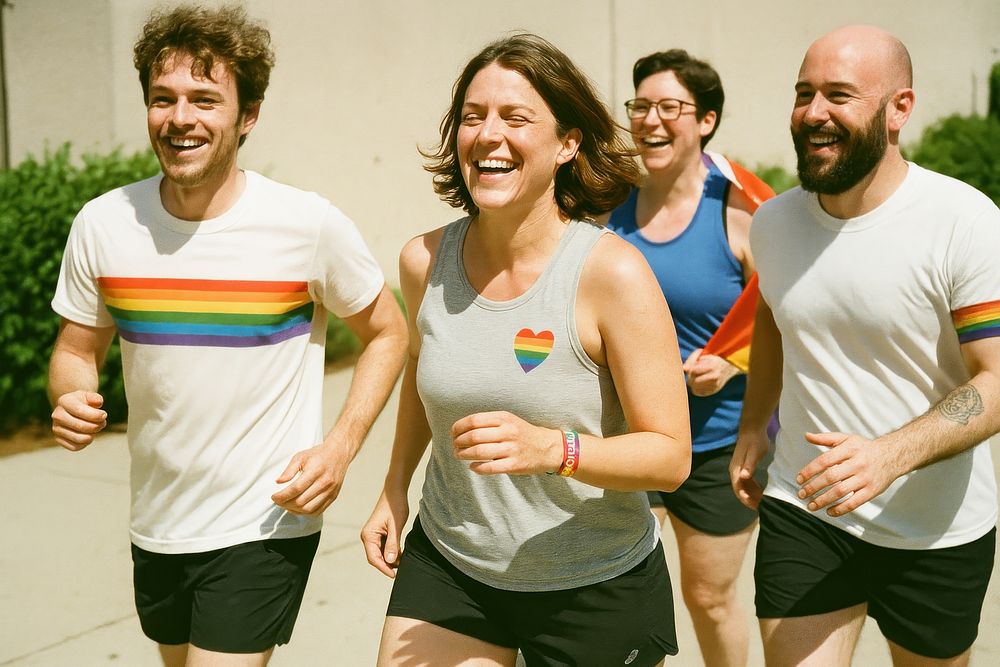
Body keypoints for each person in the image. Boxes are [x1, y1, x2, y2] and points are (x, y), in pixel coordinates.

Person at [47, 5, 407, 666]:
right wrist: (71, 395)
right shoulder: (104, 224)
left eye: (205, 99)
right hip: (157, 522)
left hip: (264, 521)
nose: (180, 117)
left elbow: (388, 331)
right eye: (164, 98)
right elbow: (77, 349)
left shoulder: (305, 224)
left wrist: (339, 448)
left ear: (248, 115)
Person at [360, 33, 692, 667]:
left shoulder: (612, 274)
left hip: (593, 583)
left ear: (567, 144)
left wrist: (551, 449)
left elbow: (670, 457)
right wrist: (394, 487)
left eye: (515, 118)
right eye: (473, 116)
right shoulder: (424, 261)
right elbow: (421, 370)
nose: (489, 135)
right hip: (452, 563)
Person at [730, 24, 1000, 667]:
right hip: (806, 509)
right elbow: (773, 316)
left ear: (899, 108)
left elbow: (995, 379)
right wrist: (753, 424)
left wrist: (888, 456)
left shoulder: (964, 222)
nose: (813, 112)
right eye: (804, 93)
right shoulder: (773, 223)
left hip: (935, 529)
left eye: (839, 95)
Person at [605, 50, 767, 667]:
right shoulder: (608, 205)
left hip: (715, 445)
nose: (651, 120)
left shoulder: (741, 211)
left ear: (706, 120)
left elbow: (786, 312)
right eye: (641, 106)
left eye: (669, 107)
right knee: (616, 597)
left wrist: (735, 361)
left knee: (709, 597)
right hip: (625, 439)